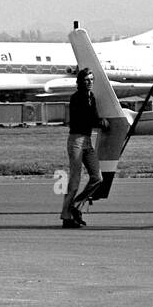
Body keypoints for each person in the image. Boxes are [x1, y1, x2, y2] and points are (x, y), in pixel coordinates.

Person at [60, 67, 108, 228]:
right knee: (75, 179)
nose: (90, 83)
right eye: (87, 80)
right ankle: (66, 217)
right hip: (76, 141)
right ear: (80, 81)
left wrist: (100, 121)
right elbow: (87, 119)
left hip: (87, 141)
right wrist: (101, 122)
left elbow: (93, 116)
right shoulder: (77, 98)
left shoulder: (91, 97)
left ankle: (75, 206)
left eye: (92, 80)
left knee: (97, 178)